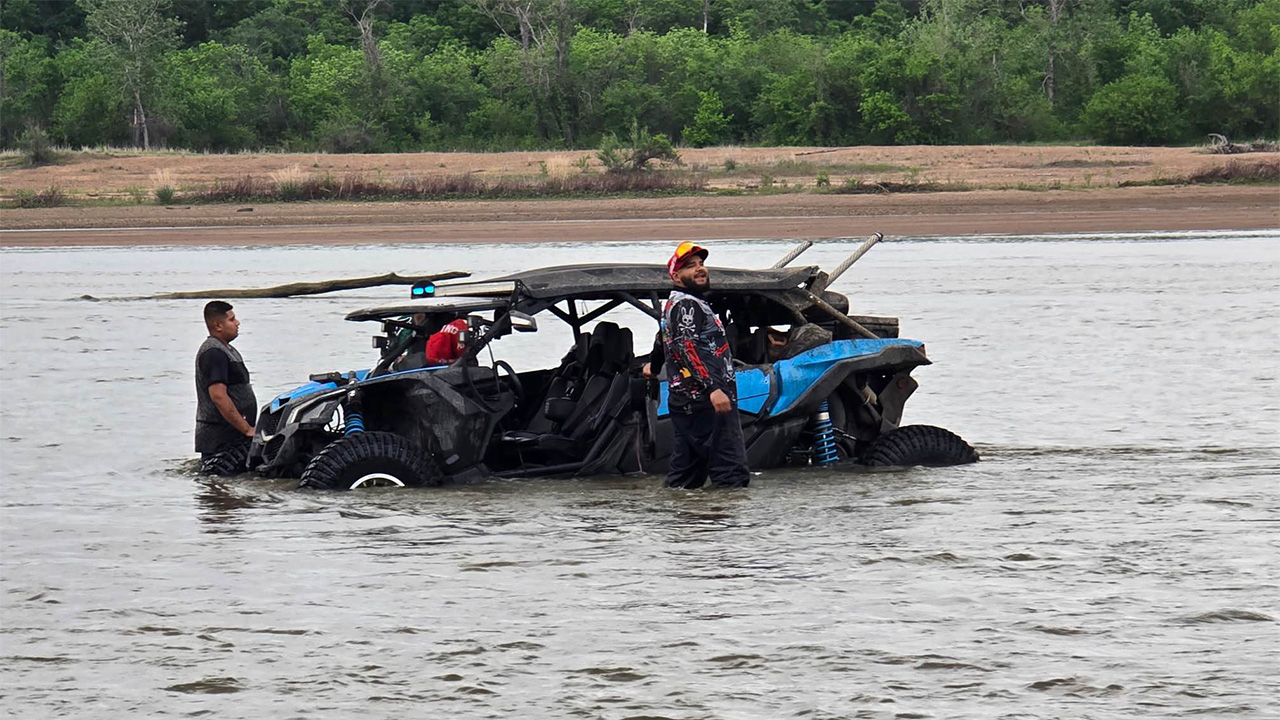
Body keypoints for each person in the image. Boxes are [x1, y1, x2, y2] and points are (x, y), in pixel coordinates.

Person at [658, 242, 751, 489]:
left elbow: (664, 340)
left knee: (685, 478)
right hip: (707, 401)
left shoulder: (674, 303)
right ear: (676, 276)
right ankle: (729, 524)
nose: (700, 269)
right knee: (731, 473)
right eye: (691, 266)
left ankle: (686, 523)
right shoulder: (688, 305)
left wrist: (652, 364)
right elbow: (686, 347)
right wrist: (713, 389)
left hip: (686, 400)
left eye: (701, 264)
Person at [194, 301, 257, 469]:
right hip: (219, 439)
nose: (238, 323)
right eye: (232, 319)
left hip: (234, 437)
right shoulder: (213, 352)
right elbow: (218, 396)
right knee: (218, 489)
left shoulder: (228, 350)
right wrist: (246, 429)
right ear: (218, 325)